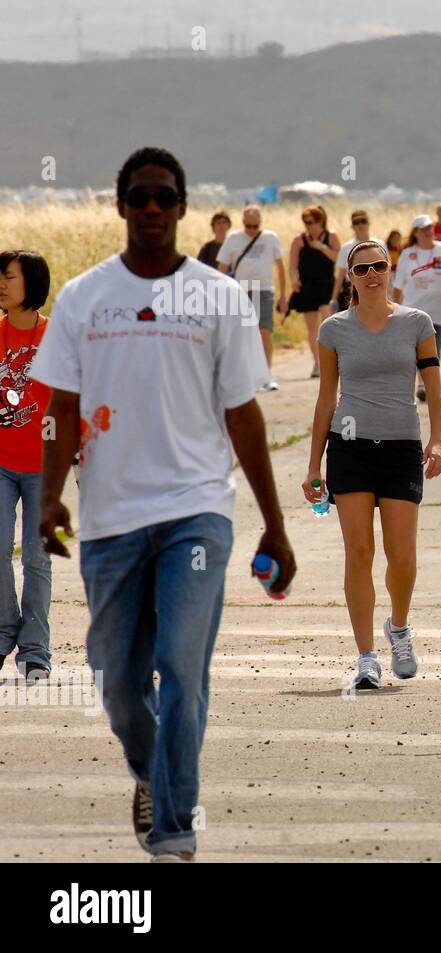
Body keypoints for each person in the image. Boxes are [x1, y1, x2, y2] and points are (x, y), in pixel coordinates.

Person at [32, 146, 295, 861]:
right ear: (121, 206)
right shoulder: (85, 297)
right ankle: (153, 770)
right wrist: (51, 497)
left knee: (182, 666)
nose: (152, 208)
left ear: (181, 208)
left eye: (164, 197)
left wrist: (274, 523)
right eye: (140, 197)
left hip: (197, 511)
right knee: (119, 683)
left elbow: (244, 413)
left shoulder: (217, 297)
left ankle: (173, 833)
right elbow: (60, 405)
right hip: (111, 518)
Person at [305, 239, 441, 691]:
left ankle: (399, 628)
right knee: (359, 551)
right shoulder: (334, 330)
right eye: (361, 268)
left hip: (402, 446)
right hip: (349, 448)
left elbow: (434, 389)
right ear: (349, 276)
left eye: (379, 266)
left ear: (391, 271)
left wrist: (438, 441)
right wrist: (314, 465)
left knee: (401, 556)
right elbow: (326, 396)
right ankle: (366, 657)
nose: (371, 275)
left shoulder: (416, 323)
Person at [0, 249, 52, 680]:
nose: (1, 284)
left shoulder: (56, 338)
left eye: (9, 277)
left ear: (31, 283)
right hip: (0, 464)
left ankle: (34, 649)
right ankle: (3, 632)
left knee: (37, 558)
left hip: (43, 467)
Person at [216, 205, 287, 391]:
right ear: (243, 223)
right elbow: (222, 267)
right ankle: (246, 375)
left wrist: (283, 296)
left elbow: (280, 267)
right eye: (249, 226)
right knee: (244, 334)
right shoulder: (233, 239)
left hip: (263, 289)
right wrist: (220, 293)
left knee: (265, 330)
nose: (252, 230)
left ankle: (267, 374)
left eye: (255, 226)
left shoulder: (270, 238)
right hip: (240, 291)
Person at [392, 213, 441, 360]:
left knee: (435, 354)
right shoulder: (407, 254)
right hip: (414, 311)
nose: (427, 232)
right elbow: (398, 286)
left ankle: (429, 383)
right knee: (416, 352)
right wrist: (395, 312)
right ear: (415, 232)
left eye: (429, 227)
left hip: (439, 311)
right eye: (423, 229)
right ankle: (420, 383)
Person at [287, 206, 341, 379]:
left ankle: (332, 361)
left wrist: (322, 248)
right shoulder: (299, 240)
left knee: (328, 323)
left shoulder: (331, 236)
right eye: (305, 222)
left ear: (320, 221)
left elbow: (339, 259)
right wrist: (294, 280)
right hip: (307, 286)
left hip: (326, 285)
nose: (308, 226)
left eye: (310, 222)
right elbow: (292, 265)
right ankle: (317, 363)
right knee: (312, 328)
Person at [329, 209, 371, 315]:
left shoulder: (379, 244)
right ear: (352, 226)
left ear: (368, 223)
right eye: (356, 222)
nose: (360, 225)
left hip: (373, 287)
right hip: (352, 290)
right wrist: (334, 299)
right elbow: (340, 275)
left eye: (363, 221)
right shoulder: (346, 248)